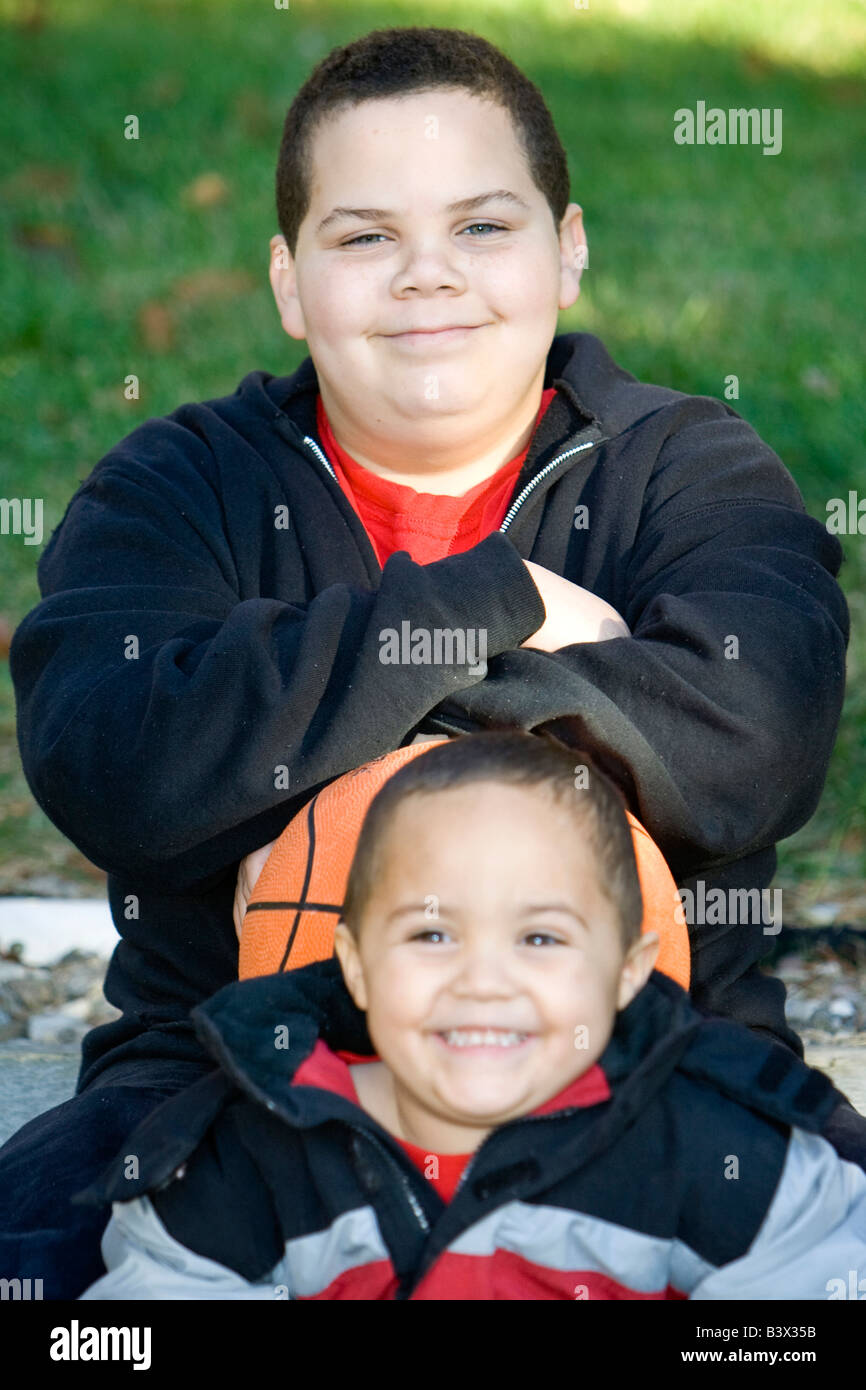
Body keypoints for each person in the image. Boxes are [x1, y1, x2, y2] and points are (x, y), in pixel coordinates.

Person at [2, 25, 861, 1299]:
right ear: (289, 283)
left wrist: (303, 714)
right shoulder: (173, 490)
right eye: (362, 237)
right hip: (224, 1075)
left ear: (566, 248)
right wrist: (490, 605)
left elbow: (751, 735)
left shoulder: (689, 470)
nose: (425, 277)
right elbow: (122, 759)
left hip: (657, 1061)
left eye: (480, 227)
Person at [77, 732, 866, 1301]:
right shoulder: (258, 1141)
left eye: (541, 937)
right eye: (432, 933)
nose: (483, 980)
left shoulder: (713, 1142)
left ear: (628, 973)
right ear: (354, 963)